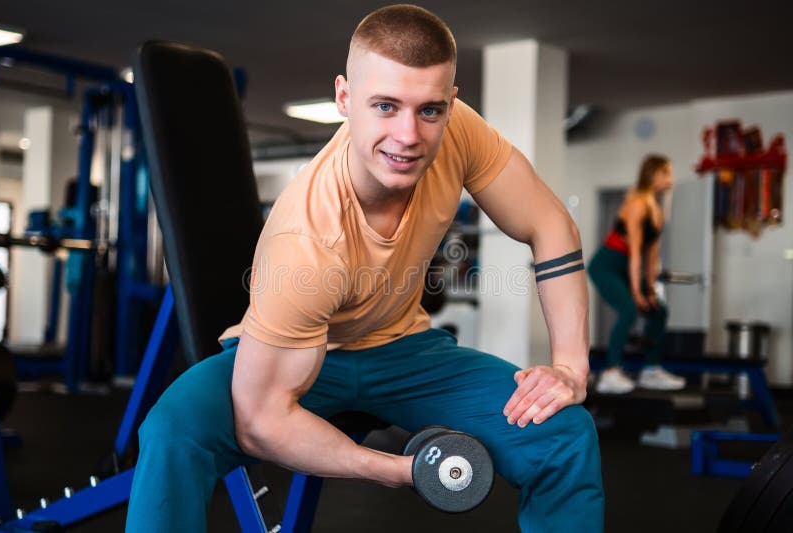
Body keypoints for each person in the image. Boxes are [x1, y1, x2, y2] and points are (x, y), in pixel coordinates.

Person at [126, 5, 603, 532]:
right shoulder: (305, 235)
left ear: (451, 103)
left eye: (429, 110)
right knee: (173, 430)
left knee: (563, 432)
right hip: (301, 355)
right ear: (344, 98)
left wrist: (569, 367)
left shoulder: (457, 132)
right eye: (385, 106)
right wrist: (400, 471)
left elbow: (552, 224)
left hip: (404, 350)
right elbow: (263, 423)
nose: (408, 136)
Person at [588, 154, 686, 394]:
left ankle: (651, 370)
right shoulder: (636, 203)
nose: (671, 178)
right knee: (629, 309)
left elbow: (651, 257)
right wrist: (636, 292)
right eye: (667, 173)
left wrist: (650, 291)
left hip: (625, 267)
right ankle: (610, 373)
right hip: (606, 264)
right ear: (653, 174)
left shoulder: (657, 211)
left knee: (658, 310)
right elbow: (634, 254)